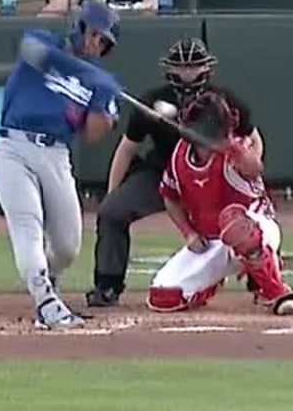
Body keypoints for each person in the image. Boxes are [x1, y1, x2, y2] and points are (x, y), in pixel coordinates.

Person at [0, 0, 123, 328]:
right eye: (94, 35)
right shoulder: (44, 40)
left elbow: (92, 135)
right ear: (79, 27)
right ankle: (45, 301)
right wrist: (95, 77)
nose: (96, 44)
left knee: (67, 245)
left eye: (104, 41)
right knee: (28, 224)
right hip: (14, 147)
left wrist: (104, 108)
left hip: (56, 154)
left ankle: (45, 281)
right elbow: (34, 52)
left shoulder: (96, 83)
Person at [86, 38, 216, 309]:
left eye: (194, 66)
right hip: (160, 173)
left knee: (242, 221)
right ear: (170, 70)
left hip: (208, 177)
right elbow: (126, 150)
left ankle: (260, 284)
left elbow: (250, 138)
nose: (188, 73)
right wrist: (113, 194)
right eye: (182, 67)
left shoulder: (221, 103)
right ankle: (107, 286)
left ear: (206, 68)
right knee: (112, 212)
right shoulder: (151, 102)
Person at [146, 89, 293, 315]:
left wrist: (231, 147)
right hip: (211, 241)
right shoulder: (180, 155)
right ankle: (210, 283)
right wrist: (188, 233)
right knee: (164, 296)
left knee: (234, 223)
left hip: (256, 227)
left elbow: (254, 169)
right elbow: (170, 197)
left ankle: (274, 291)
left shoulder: (235, 148)